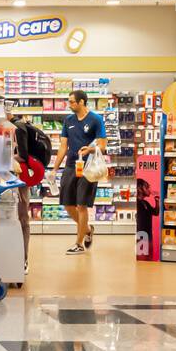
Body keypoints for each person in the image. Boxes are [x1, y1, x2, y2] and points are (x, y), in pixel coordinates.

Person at [50, 89, 107, 255]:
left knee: (82, 205)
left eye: (72, 101)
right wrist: (54, 169)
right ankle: (87, 229)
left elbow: (102, 145)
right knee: (68, 205)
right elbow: (63, 146)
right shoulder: (68, 120)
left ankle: (79, 243)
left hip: (88, 167)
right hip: (70, 166)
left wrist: (90, 149)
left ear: (82, 102)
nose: (69, 104)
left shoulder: (96, 119)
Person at [4, 101, 46, 266]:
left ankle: (23, 259)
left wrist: (6, 158)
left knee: (22, 218)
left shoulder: (18, 127)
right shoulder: (4, 126)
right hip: (9, 177)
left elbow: (23, 155)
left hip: (20, 179)